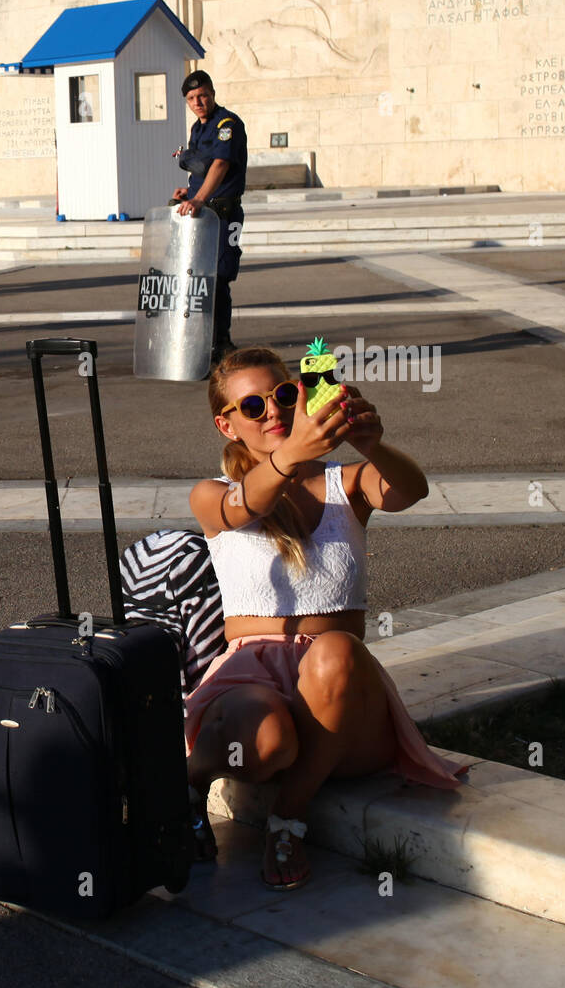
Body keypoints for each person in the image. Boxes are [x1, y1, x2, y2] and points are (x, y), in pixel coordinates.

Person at [184, 345, 464, 889]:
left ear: (305, 393)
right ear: (227, 424)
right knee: (267, 742)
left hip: (339, 687)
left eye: (284, 395)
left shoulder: (347, 483)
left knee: (335, 647)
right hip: (252, 677)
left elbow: (411, 490)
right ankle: (188, 778)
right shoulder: (210, 493)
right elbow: (243, 507)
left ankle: (288, 820)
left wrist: (372, 445)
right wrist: (288, 458)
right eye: (253, 407)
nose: (274, 412)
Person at [172, 71, 247, 365]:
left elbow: (220, 164)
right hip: (201, 215)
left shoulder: (227, 124)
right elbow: (200, 169)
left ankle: (222, 343)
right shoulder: (197, 128)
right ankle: (201, 342)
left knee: (219, 277)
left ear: (213, 93)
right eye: (192, 98)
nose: (198, 102)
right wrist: (189, 191)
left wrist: (200, 197)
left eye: (202, 95)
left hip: (224, 214)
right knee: (199, 279)